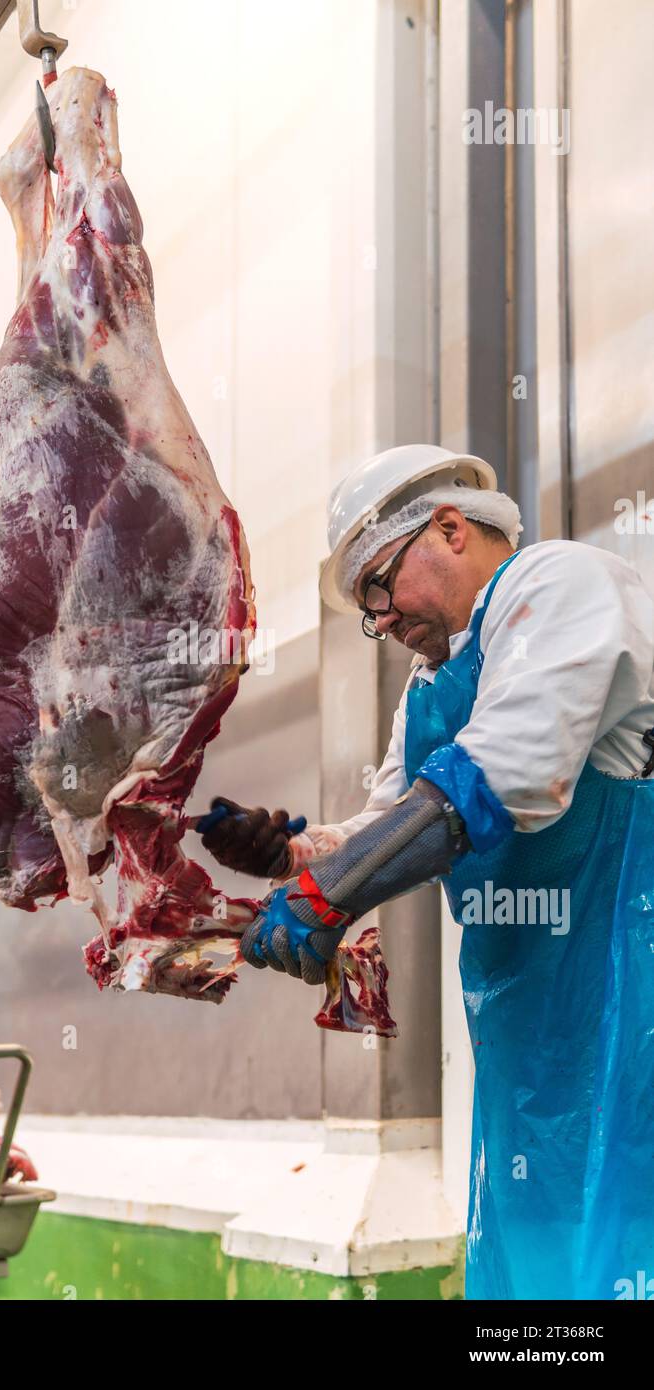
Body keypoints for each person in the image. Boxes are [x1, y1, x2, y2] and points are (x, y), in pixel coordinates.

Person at [201, 443, 654, 1300]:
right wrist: (291, 855)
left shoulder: (555, 582)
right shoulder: (429, 690)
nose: (379, 621)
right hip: (531, 1040)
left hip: (632, 1007)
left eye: (378, 589)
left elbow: (501, 777)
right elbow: (385, 826)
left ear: (448, 528)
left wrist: (324, 897)